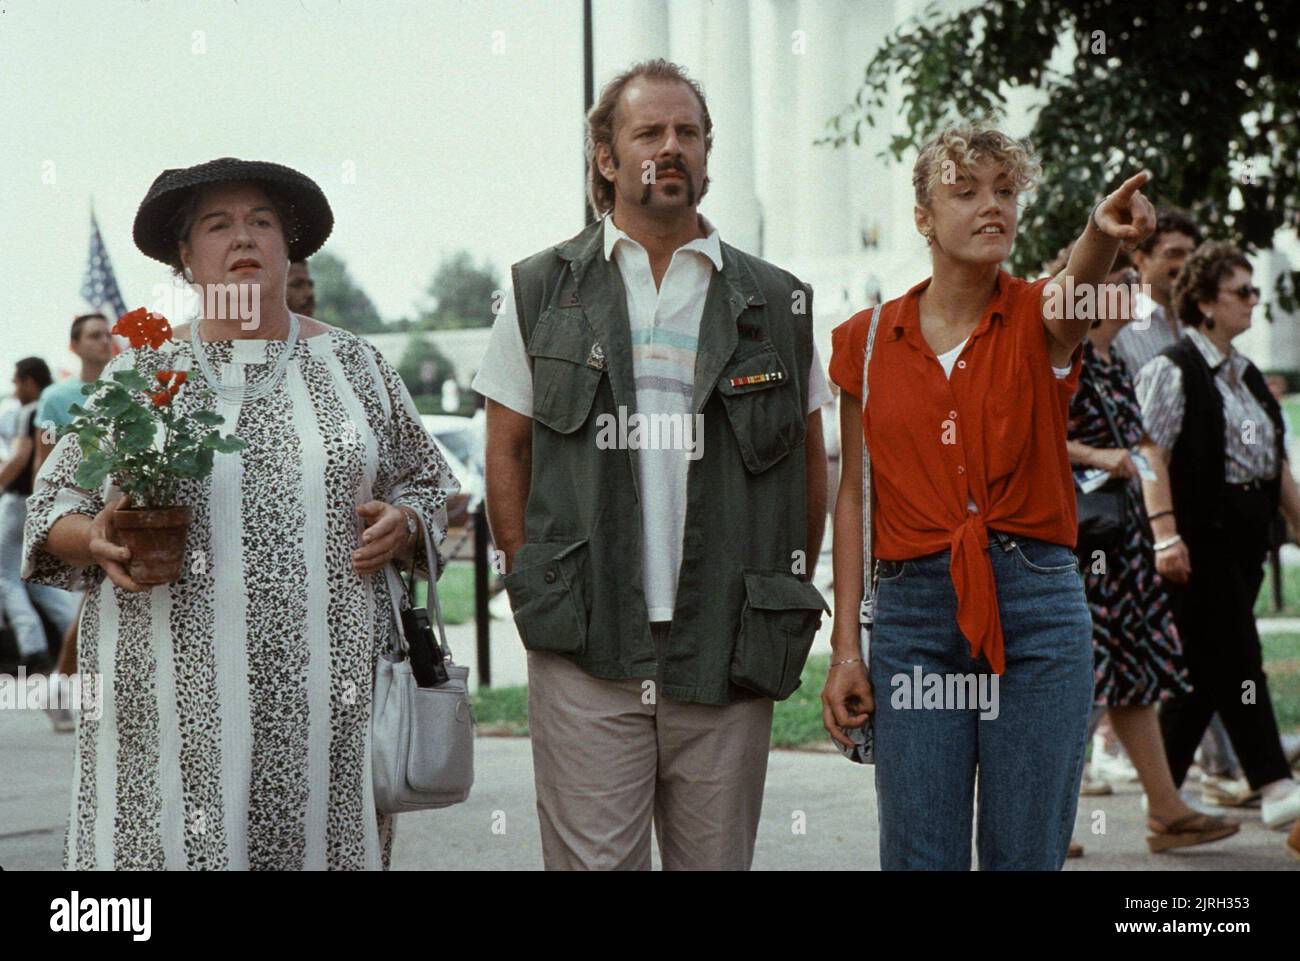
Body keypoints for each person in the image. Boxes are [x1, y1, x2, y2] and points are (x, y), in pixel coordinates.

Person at [22, 157, 458, 870]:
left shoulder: (359, 367)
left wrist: (406, 522)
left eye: (262, 221)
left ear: (291, 247)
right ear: (186, 258)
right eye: (217, 225)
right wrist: (96, 536)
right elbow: (52, 509)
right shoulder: (144, 376)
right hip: (166, 712)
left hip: (328, 714)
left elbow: (431, 489)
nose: (243, 237)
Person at [474, 59, 831, 871]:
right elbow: (508, 447)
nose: (671, 148)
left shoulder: (780, 301)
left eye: (689, 133)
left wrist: (783, 582)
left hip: (727, 642)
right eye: (649, 133)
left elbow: (811, 462)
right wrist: (530, 573)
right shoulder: (541, 290)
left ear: (708, 154)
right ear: (607, 158)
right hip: (588, 642)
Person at [823, 123, 1156, 870]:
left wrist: (1100, 232)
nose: (991, 206)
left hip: (1036, 610)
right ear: (922, 216)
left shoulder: (1039, 318)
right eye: (965, 190)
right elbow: (853, 497)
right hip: (912, 618)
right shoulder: (866, 341)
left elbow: (1078, 286)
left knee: (1023, 856)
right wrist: (847, 646)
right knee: (920, 856)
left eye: (1005, 191)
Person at [1062, 247, 1236, 853]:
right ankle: (1033, 819)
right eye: (1121, 281)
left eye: (1136, 281)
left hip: (1124, 541)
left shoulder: (1110, 362)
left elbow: (1144, 449)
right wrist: (1098, 457)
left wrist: (1164, 528)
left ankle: (1166, 808)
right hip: (1080, 546)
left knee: (1133, 677)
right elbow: (1029, 438)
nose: (1134, 291)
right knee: (1075, 683)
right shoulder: (1067, 358)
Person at [1136, 240, 1300, 837]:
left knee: (1202, 674)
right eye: (1242, 292)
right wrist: (1164, 536)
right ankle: (1275, 782)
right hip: (1196, 538)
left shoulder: (1248, 375)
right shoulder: (1172, 369)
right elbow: (1150, 452)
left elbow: (1275, 464)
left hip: (1247, 538)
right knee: (1239, 656)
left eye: (1255, 290)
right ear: (1205, 303)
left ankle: (1164, 807)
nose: (1254, 301)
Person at [33, 311, 117, 683]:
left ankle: (63, 685)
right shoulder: (56, 397)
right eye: (94, 335)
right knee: (93, 596)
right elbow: (43, 457)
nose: (104, 341)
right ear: (75, 345)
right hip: (77, 512)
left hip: (117, 503)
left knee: (97, 597)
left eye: (107, 335)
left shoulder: (126, 388)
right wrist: (46, 513)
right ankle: (64, 683)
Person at [1, 358, 80, 683]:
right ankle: (73, 638)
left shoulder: (31, 410)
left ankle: (33, 649)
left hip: (23, 504)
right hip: (59, 506)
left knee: (5, 576)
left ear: (30, 382)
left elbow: (20, 457)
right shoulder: (62, 401)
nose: (16, 389)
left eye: (18, 382)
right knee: (39, 580)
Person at [1111, 208, 1199, 376]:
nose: (1187, 264)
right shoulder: (1122, 323)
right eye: (1174, 254)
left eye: (1191, 255)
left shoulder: (1196, 322)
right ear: (1141, 259)